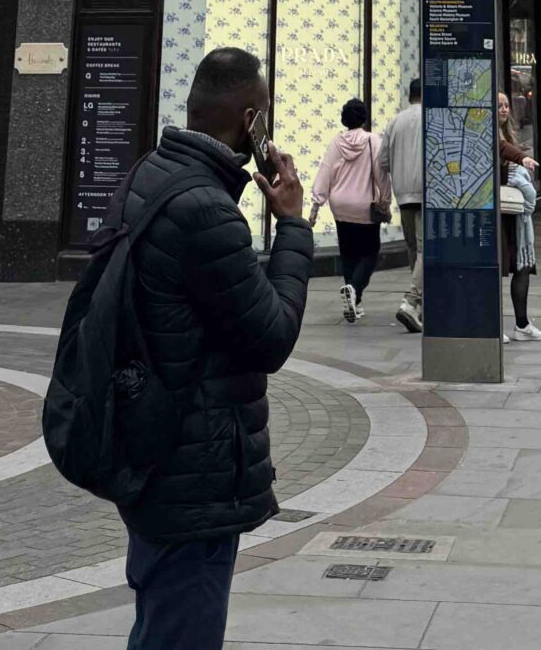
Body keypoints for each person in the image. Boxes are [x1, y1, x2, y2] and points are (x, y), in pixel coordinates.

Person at [116, 45, 312, 650]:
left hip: (155, 452)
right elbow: (272, 336)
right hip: (194, 470)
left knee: (160, 623)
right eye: (267, 112)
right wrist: (295, 227)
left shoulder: (153, 172)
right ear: (251, 121)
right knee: (183, 630)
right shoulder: (209, 212)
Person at [309, 99, 384, 324]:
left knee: (348, 253)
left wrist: (315, 205)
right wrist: (386, 199)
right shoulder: (373, 141)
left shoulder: (336, 143)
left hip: (340, 205)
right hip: (365, 206)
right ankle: (354, 289)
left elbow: (325, 173)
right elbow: (382, 175)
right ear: (364, 117)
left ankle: (355, 301)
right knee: (370, 253)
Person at [380, 80, 424, 335]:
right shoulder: (430, 118)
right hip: (427, 192)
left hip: (403, 194)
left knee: (413, 249)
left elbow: (383, 161)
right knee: (426, 250)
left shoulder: (395, 121)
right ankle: (411, 300)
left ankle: (418, 305)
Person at [499, 142, 541, 341]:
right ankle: (518, 325)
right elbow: (530, 195)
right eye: (499, 107)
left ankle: (522, 324)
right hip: (505, 218)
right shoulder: (493, 136)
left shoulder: (506, 140)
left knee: (520, 269)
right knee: (510, 268)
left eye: (505, 107)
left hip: (508, 216)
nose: (503, 109)